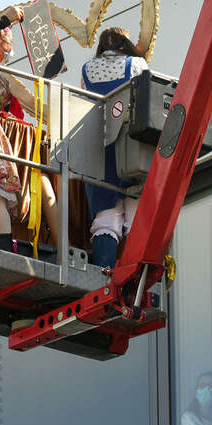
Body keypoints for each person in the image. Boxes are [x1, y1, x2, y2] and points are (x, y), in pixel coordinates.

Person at [0, 8, 62, 254]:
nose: (6, 53)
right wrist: (7, 17)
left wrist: (64, 111)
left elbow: (31, 104)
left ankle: (60, 249)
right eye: (4, 46)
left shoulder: (2, 72)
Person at [80, 27, 150, 268]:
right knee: (135, 213)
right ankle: (137, 276)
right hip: (130, 145)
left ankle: (105, 275)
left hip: (99, 149)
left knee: (106, 218)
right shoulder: (137, 63)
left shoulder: (87, 69)